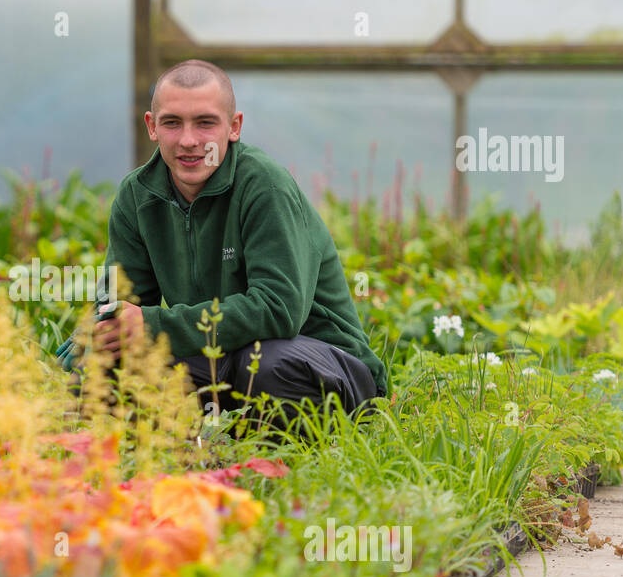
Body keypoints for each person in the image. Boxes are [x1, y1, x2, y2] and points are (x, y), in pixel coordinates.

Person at [66, 58, 388, 431]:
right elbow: (115, 300)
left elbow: (278, 310)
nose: (189, 141)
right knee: (113, 373)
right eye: (172, 123)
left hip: (323, 363)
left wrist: (152, 324)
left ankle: (264, 455)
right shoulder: (135, 197)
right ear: (152, 128)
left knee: (269, 364)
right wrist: (101, 333)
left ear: (233, 127)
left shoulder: (264, 186)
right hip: (224, 359)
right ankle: (213, 445)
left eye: (205, 122)